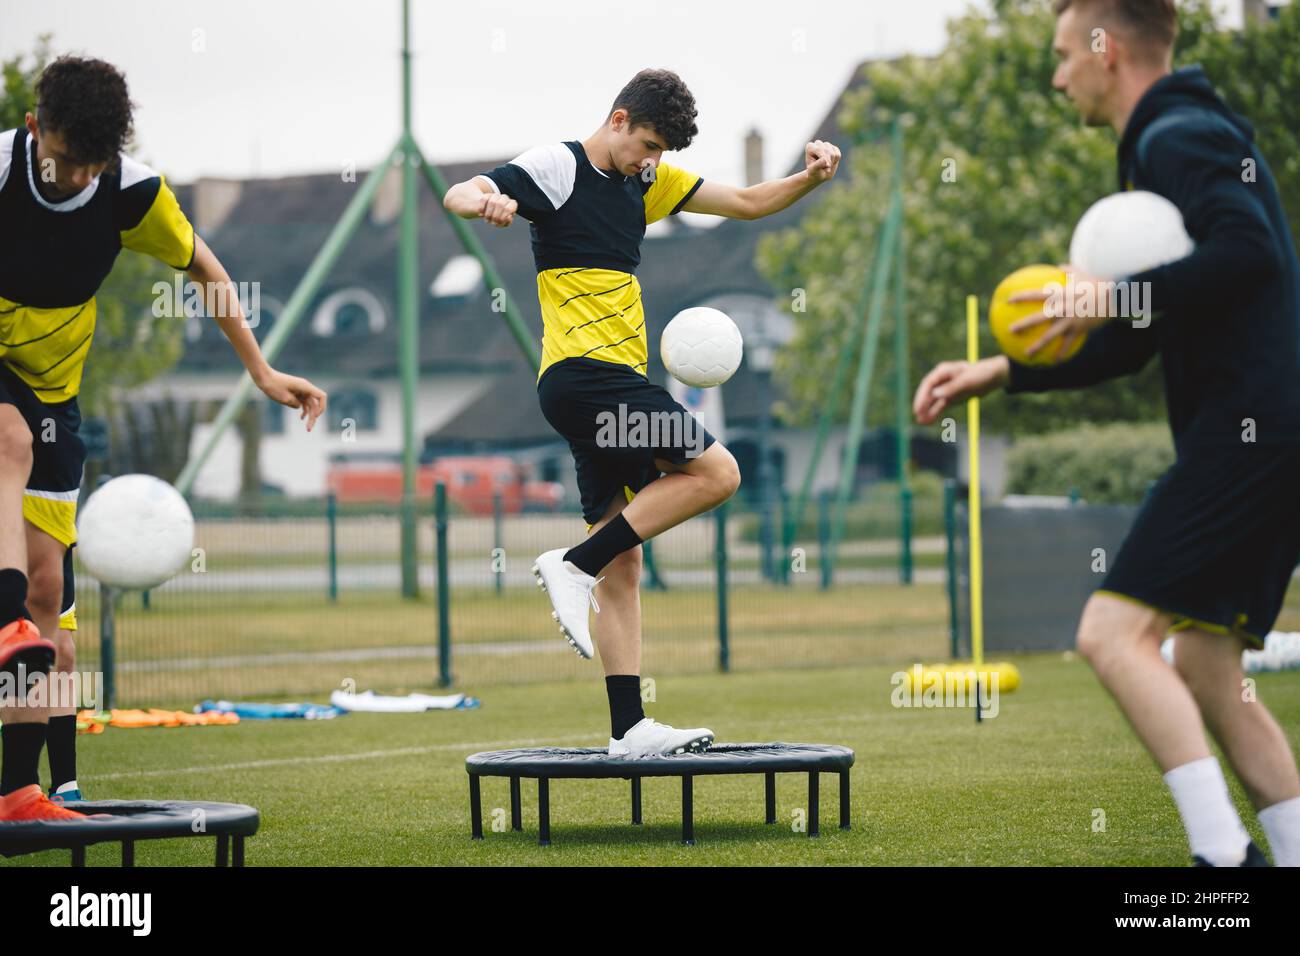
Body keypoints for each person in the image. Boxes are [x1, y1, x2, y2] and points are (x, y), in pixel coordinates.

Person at [913, 0, 1300, 866]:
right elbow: (1140, 336)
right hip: (1270, 436)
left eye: (1061, 56)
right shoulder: (1179, 142)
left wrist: (1116, 293)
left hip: (1253, 438)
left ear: (1107, 51)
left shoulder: (1179, 137)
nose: (1057, 77)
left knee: (1108, 632)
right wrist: (1003, 371)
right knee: (1203, 660)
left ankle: (1221, 861)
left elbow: (1251, 256)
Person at [444, 68, 840, 757]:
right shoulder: (559, 168)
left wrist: (808, 178)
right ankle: (572, 566)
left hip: (606, 386)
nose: (652, 161)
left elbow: (746, 200)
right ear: (620, 119)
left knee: (623, 563)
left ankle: (627, 727)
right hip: (585, 379)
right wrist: (485, 205)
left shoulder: (646, 185)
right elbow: (461, 191)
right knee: (717, 473)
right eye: (648, 143)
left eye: (663, 152)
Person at [0, 55, 327, 822]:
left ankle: (16, 791)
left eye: (93, 164)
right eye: (65, 160)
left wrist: (261, 369)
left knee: (52, 592)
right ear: (32, 127)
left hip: (56, 391)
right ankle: (3, 613)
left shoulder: (132, 193)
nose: (79, 177)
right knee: (6, 441)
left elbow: (207, 271)